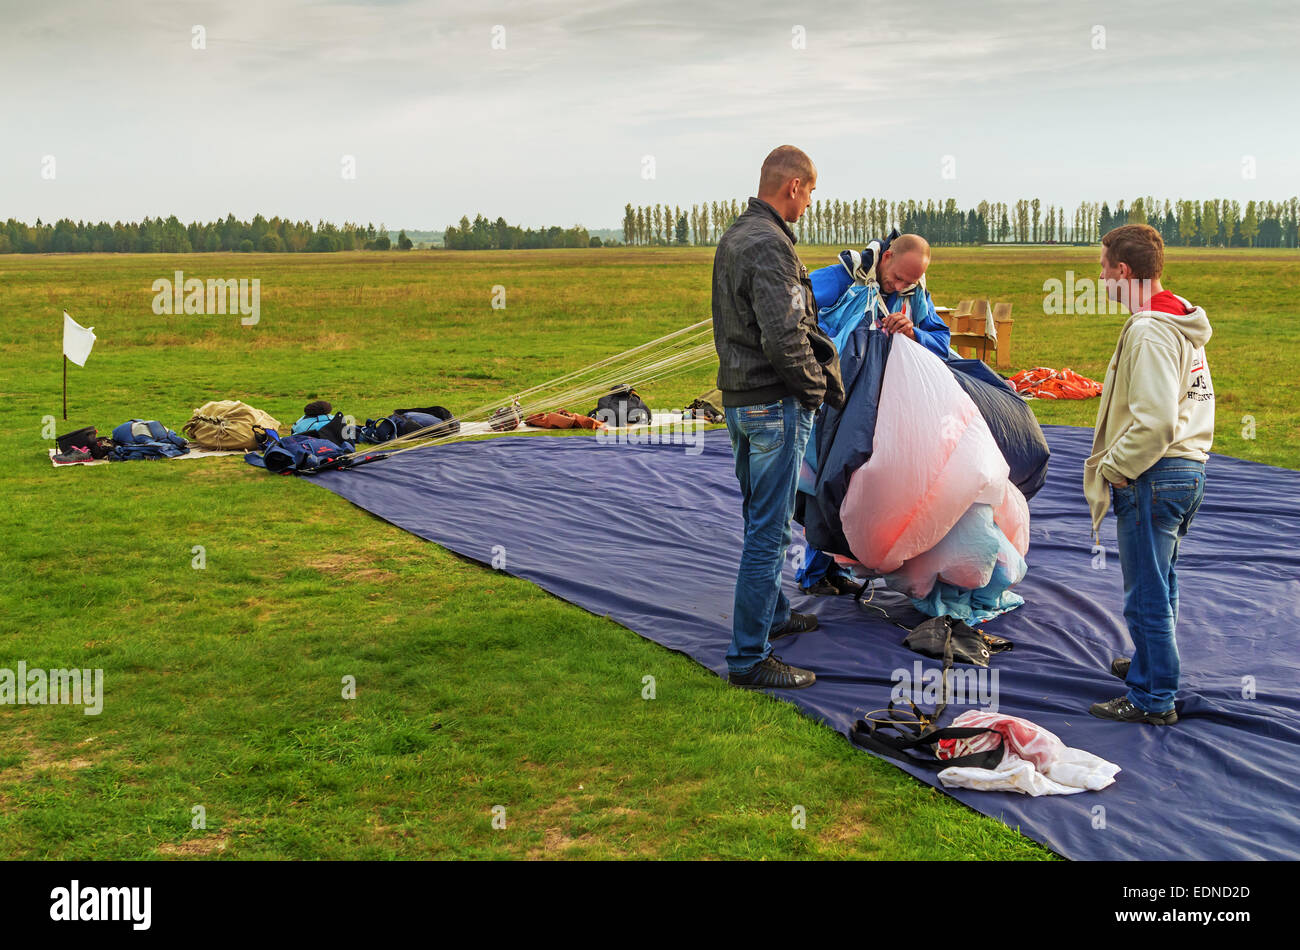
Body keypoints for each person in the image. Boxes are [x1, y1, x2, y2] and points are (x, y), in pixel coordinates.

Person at [711, 145, 845, 690]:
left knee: (758, 516)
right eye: (811, 192)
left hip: (742, 402)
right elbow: (785, 334)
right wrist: (815, 391)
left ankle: (773, 613)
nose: (810, 203)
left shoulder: (737, 235)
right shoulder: (770, 245)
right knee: (767, 531)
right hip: (772, 405)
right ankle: (749, 656)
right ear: (793, 186)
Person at [1084, 224, 1215, 726]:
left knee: (1145, 595)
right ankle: (1150, 665)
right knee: (1164, 584)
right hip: (1186, 469)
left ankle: (1152, 697)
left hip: (1154, 474)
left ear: (1122, 270)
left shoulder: (1149, 330)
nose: (1100, 278)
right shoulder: (1179, 316)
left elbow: (1157, 421)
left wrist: (1117, 468)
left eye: (1103, 269)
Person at [797, 232, 951, 595]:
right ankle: (815, 571)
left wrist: (914, 333)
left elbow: (941, 341)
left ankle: (841, 566)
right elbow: (793, 313)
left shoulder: (915, 297)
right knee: (829, 479)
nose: (899, 286)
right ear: (886, 257)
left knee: (863, 488)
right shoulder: (841, 278)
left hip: (885, 409)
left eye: (909, 282)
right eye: (897, 278)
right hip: (835, 405)